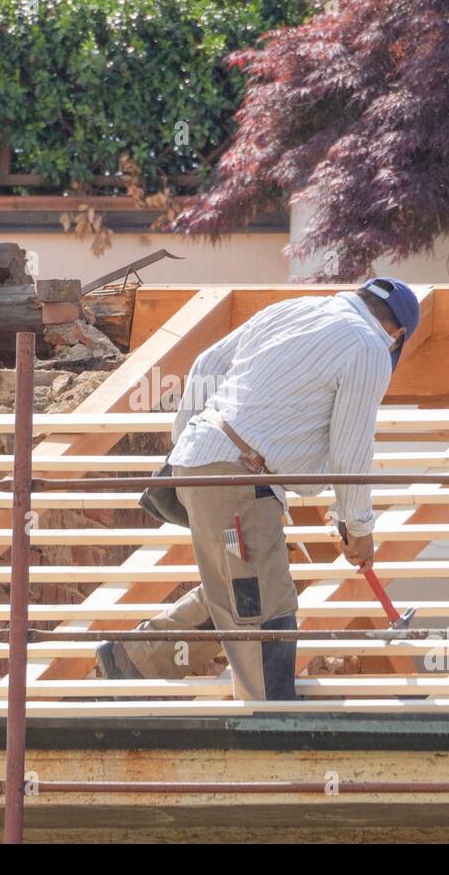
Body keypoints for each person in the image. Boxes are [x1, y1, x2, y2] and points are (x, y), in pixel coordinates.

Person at [95, 278, 420, 700]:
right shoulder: (370, 349)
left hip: (209, 468)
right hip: (237, 478)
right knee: (264, 604)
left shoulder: (293, 309)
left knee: (240, 589)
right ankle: (270, 717)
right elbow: (350, 454)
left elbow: (208, 364)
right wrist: (358, 528)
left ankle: (131, 661)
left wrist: (190, 443)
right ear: (397, 334)